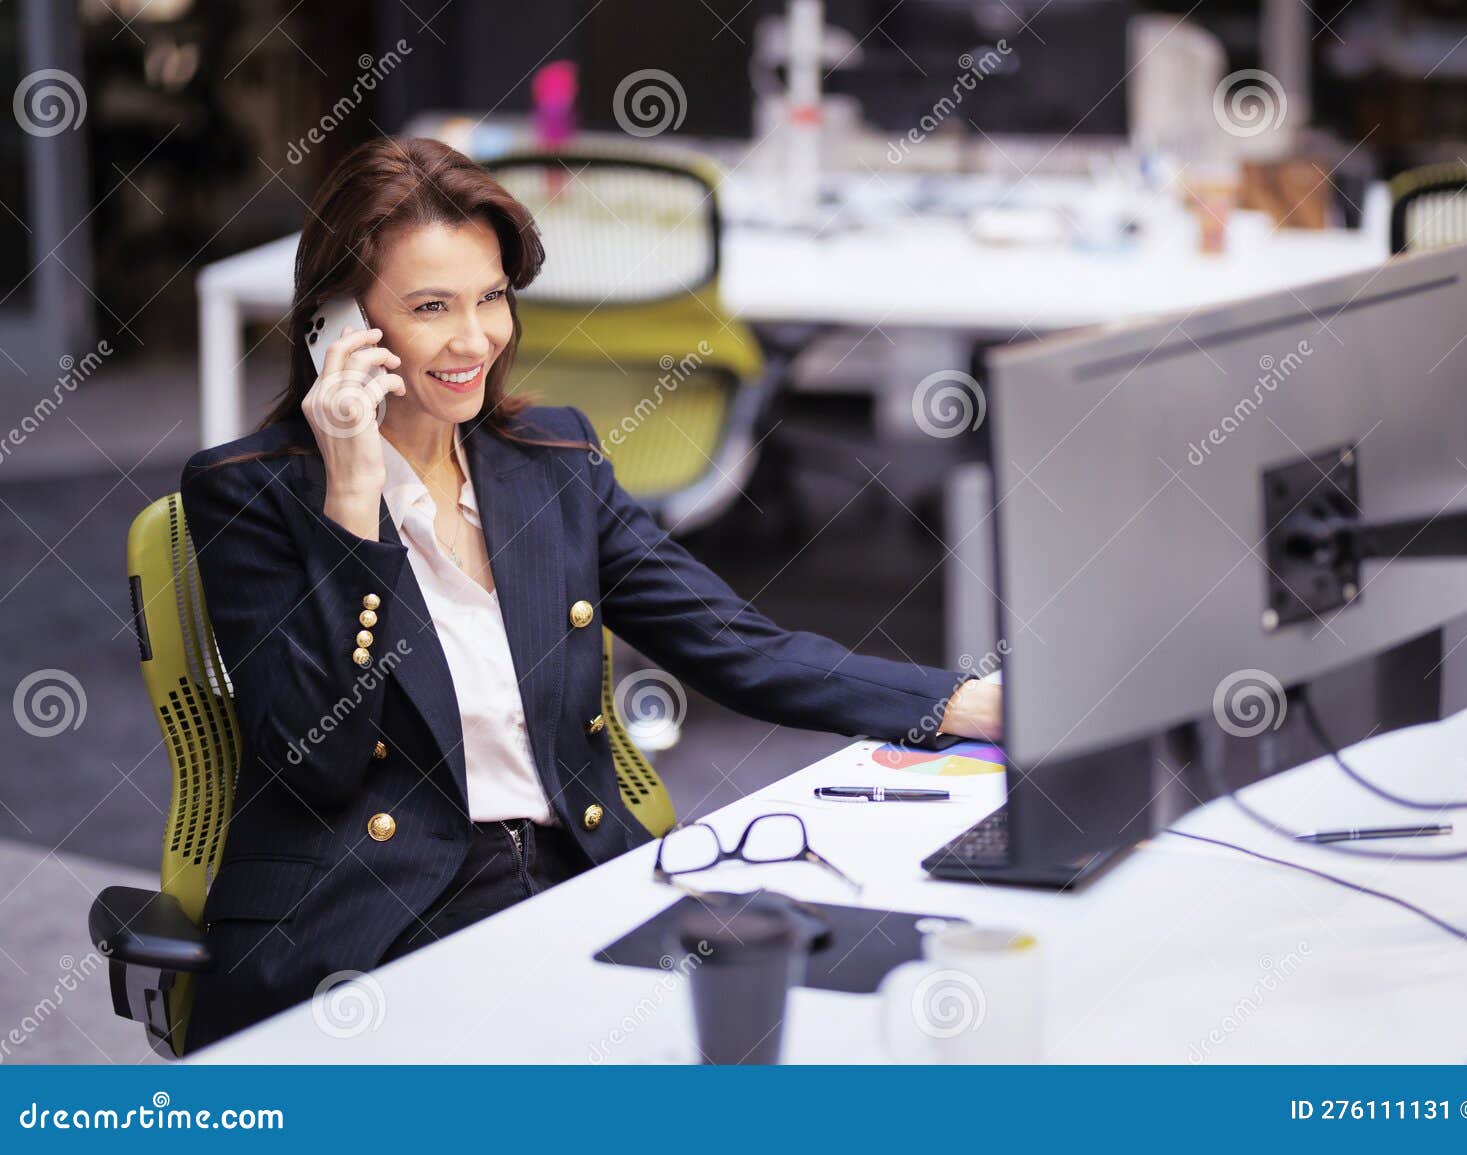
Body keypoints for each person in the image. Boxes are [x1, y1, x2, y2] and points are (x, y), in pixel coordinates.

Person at [178, 137, 1001, 1051]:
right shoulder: (251, 494)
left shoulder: (550, 465)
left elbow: (734, 643)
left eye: (491, 297)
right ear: (339, 322)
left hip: (570, 880)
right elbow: (315, 758)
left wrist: (964, 704)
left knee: (833, 1007)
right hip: (373, 921)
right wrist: (351, 498)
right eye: (430, 307)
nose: (474, 339)